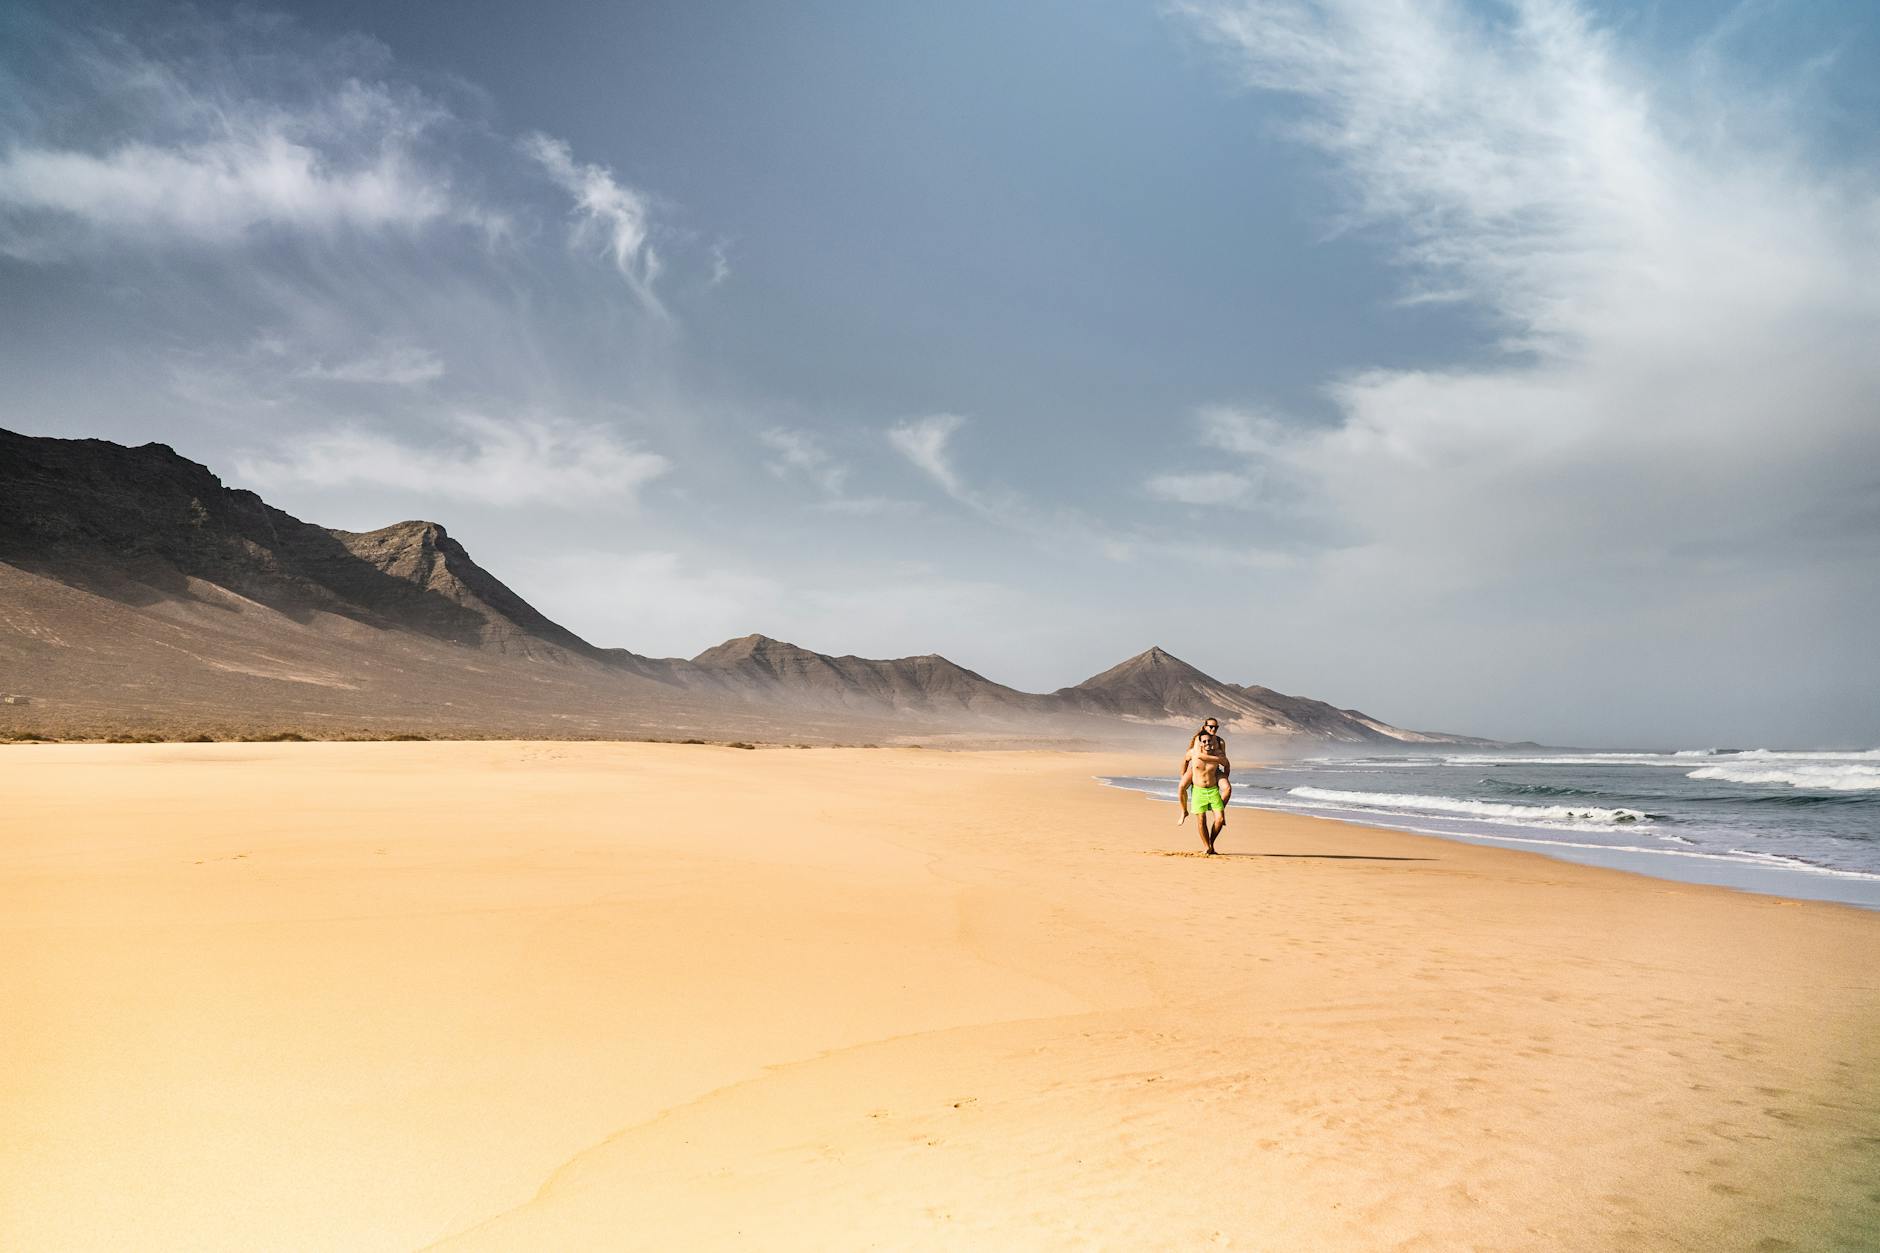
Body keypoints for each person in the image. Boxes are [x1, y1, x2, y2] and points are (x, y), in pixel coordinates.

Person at [1175, 719, 1232, 854]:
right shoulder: (1197, 740)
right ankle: (1183, 811)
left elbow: (1225, 760)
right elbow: (1195, 756)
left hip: (1214, 771)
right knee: (1182, 786)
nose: (1213, 728)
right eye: (1211, 726)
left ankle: (1218, 809)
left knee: (1228, 789)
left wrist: (1223, 772)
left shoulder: (1220, 741)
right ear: (1205, 727)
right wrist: (1183, 774)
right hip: (1197, 768)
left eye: (1216, 727)